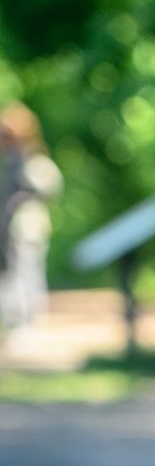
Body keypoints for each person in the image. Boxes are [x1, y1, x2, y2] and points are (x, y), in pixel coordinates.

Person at [0, 103, 62, 333]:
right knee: (11, 272)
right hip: (10, 226)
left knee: (26, 270)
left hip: (27, 227)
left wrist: (22, 199)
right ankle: (13, 320)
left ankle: (28, 320)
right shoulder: (12, 162)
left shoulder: (32, 160)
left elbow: (48, 186)